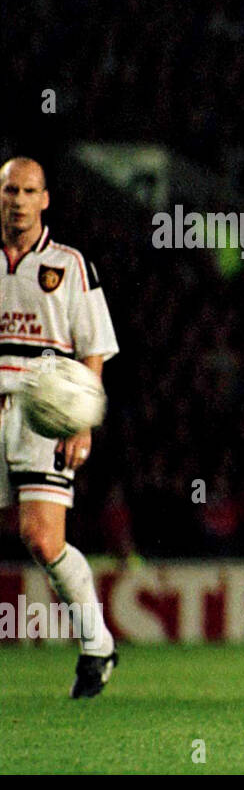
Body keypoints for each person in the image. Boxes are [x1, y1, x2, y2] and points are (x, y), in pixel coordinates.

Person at [0, 157, 120, 697]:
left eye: (28, 190)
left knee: (41, 539)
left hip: (42, 413)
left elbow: (94, 349)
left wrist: (82, 423)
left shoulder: (70, 265)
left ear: (45, 199)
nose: (18, 200)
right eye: (9, 190)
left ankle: (97, 646)